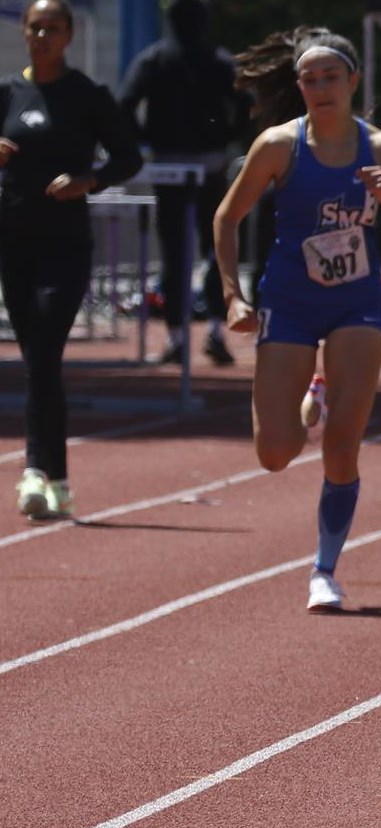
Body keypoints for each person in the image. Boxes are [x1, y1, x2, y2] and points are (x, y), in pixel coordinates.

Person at [213, 27, 381, 611]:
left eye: (331, 77)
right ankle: (312, 390)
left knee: (342, 447)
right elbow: (226, 217)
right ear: (299, 87)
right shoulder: (277, 146)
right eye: (310, 79)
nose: (320, 87)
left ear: (353, 82)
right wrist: (234, 296)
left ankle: (324, 570)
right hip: (287, 302)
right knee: (276, 454)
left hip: (354, 303)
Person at [1, 0, 143, 519]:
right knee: (40, 361)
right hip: (14, 242)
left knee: (42, 350)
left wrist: (88, 181)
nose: (41, 36)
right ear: (23, 31)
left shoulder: (88, 96)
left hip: (65, 245)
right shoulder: (7, 94)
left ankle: (35, 471)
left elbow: (129, 156)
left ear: (68, 35)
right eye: (34, 27)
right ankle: (57, 478)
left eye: (52, 28)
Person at [118, 0, 250, 367]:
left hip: (169, 164)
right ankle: (213, 331)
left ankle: (179, 336)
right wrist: (226, 136)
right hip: (209, 164)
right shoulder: (219, 59)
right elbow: (245, 103)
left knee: (175, 252)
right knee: (214, 249)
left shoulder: (155, 58)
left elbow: (125, 102)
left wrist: (145, 138)